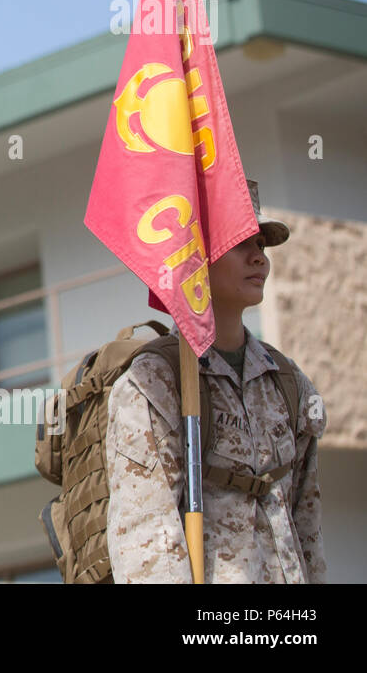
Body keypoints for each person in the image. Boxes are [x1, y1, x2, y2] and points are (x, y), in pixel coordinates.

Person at [105, 180, 326, 583]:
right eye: (241, 242)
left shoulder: (289, 382)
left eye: (261, 245)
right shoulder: (156, 382)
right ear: (195, 254)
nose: (259, 258)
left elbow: (307, 529)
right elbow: (145, 542)